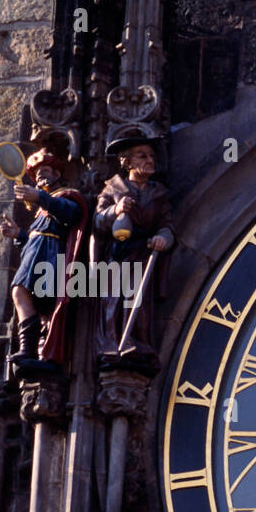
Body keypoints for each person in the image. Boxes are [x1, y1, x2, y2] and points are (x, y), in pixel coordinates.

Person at [0, 149, 87, 369]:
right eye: (36, 173)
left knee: (27, 295)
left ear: (57, 173)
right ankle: (31, 350)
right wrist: (18, 234)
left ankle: (34, 350)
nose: (40, 176)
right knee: (24, 295)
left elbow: (71, 214)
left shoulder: (66, 195)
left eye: (45, 171)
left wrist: (40, 198)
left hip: (51, 257)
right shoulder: (42, 210)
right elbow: (36, 238)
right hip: (36, 252)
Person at [91, 138, 174, 373]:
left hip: (144, 252)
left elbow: (167, 225)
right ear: (127, 162)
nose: (149, 160)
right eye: (142, 156)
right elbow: (97, 222)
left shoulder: (159, 194)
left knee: (140, 304)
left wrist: (164, 238)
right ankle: (112, 343)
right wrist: (115, 210)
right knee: (115, 300)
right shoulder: (113, 188)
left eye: (151, 156)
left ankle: (138, 343)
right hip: (119, 253)